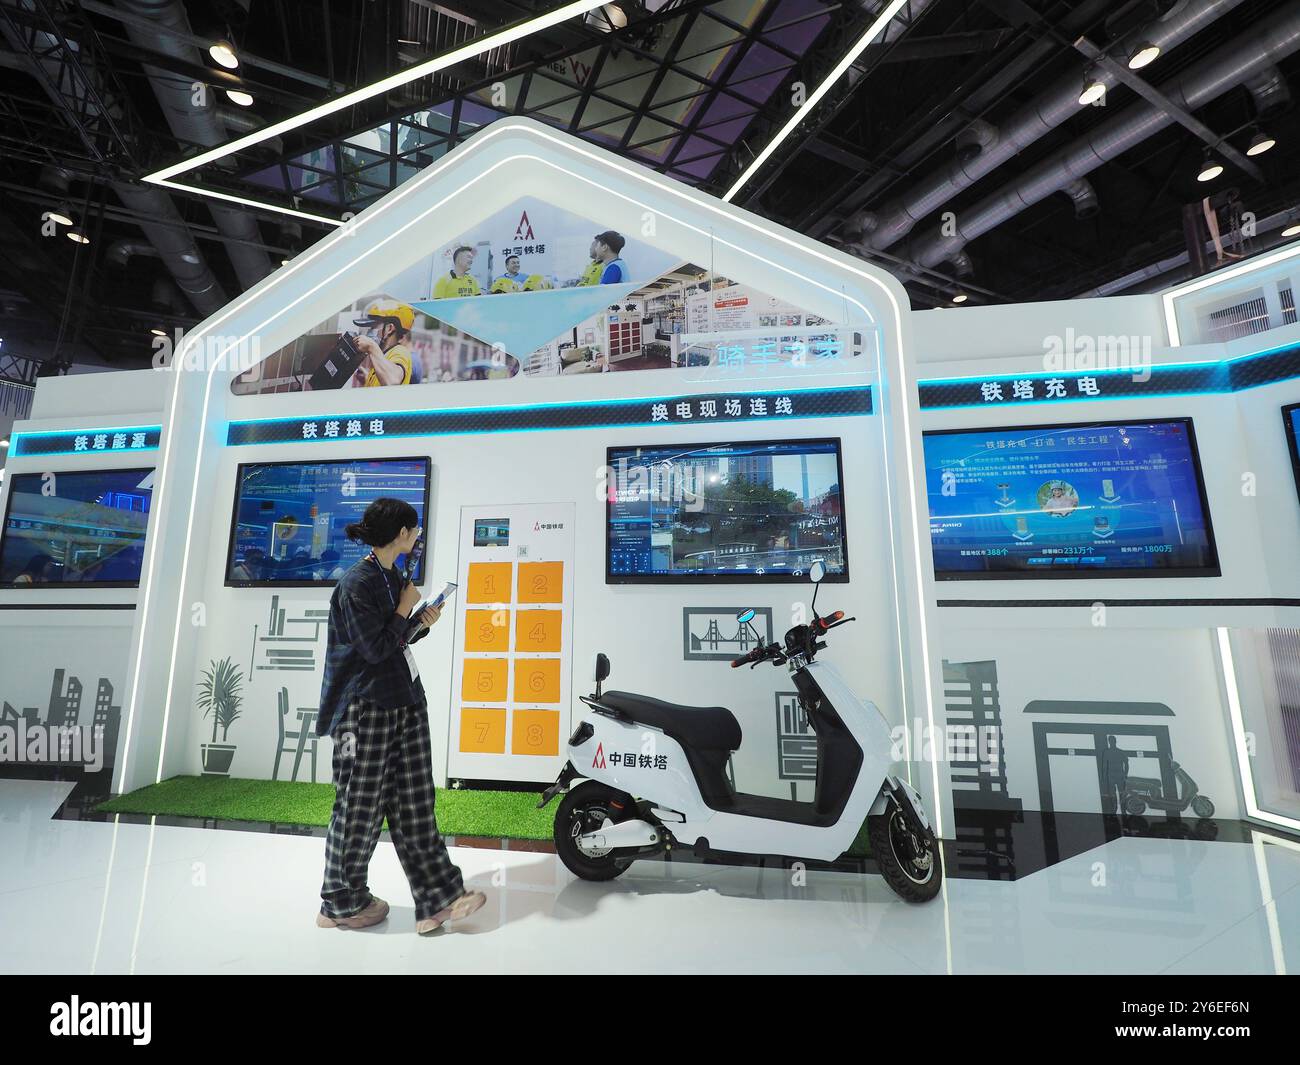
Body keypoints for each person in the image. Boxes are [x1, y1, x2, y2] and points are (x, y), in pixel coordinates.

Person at [315, 498, 485, 935]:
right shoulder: (357, 583)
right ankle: (341, 902)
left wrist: (419, 620)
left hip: (403, 699)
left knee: (414, 803)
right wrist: (403, 610)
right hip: (364, 708)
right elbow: (371, 650)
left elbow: (393, 641)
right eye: (415, 530)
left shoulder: (393, 578)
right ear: (403, 534)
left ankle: (440, 899)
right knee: (359, 806)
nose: (418, 536)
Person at [350, 299, 416, 387]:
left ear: (389, 329)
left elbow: (393, 380)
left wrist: (371, 347)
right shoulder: (382, 357)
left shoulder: (401, 351)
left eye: (373, 327)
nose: (369, 332)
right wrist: (367, 379)